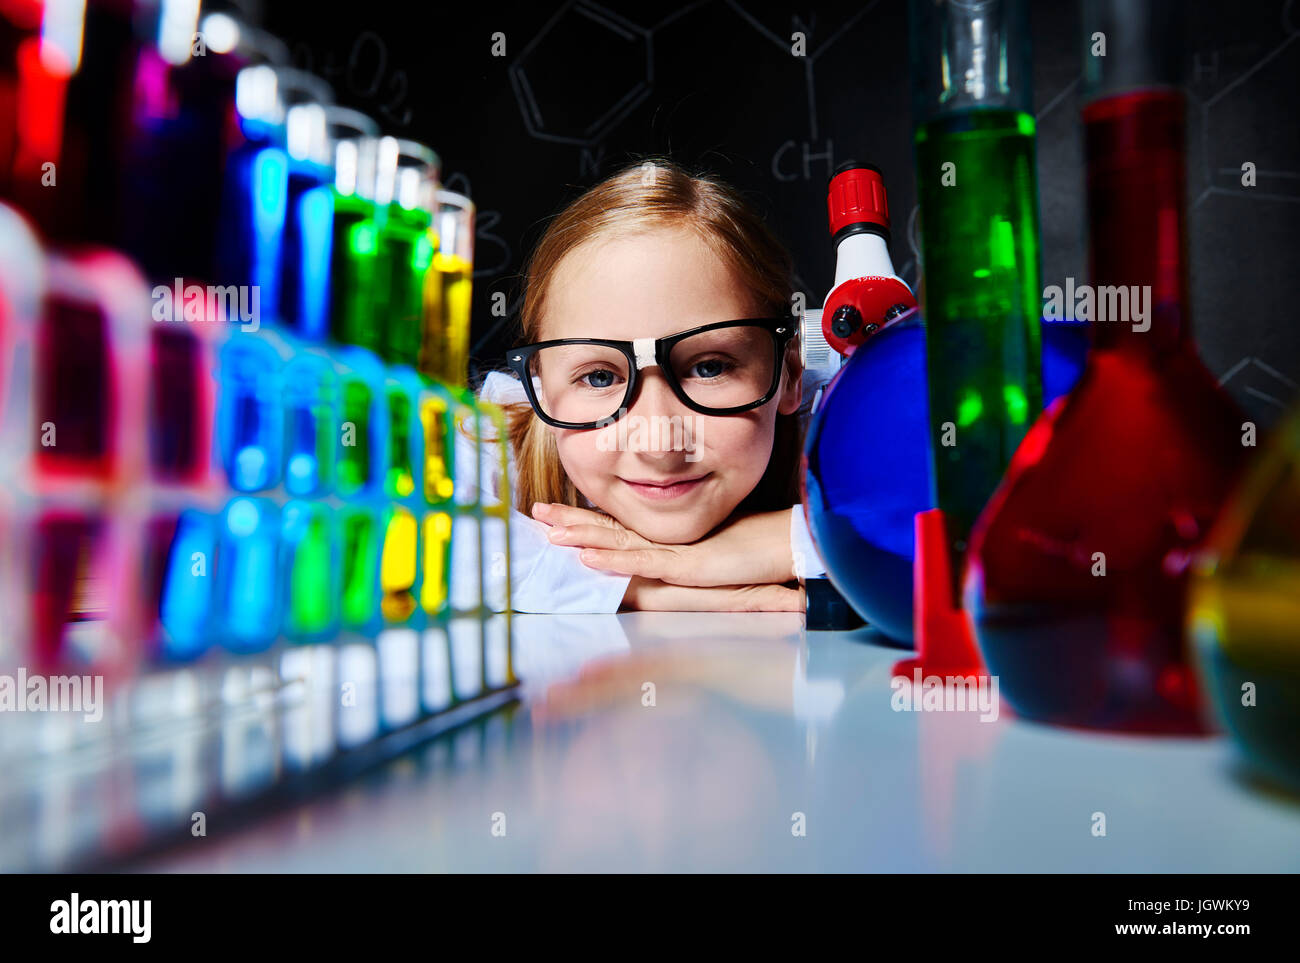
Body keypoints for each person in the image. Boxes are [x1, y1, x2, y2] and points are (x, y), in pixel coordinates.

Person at [464, 157, 828, 613]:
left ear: (790, 372)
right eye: (600, 377)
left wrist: (793, 538)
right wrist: (651, 583)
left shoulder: (842, 420)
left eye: (709, 367)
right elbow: (384, 534)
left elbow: (933, 515)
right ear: (537, 387)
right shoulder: (489, 442)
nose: (659, 445)